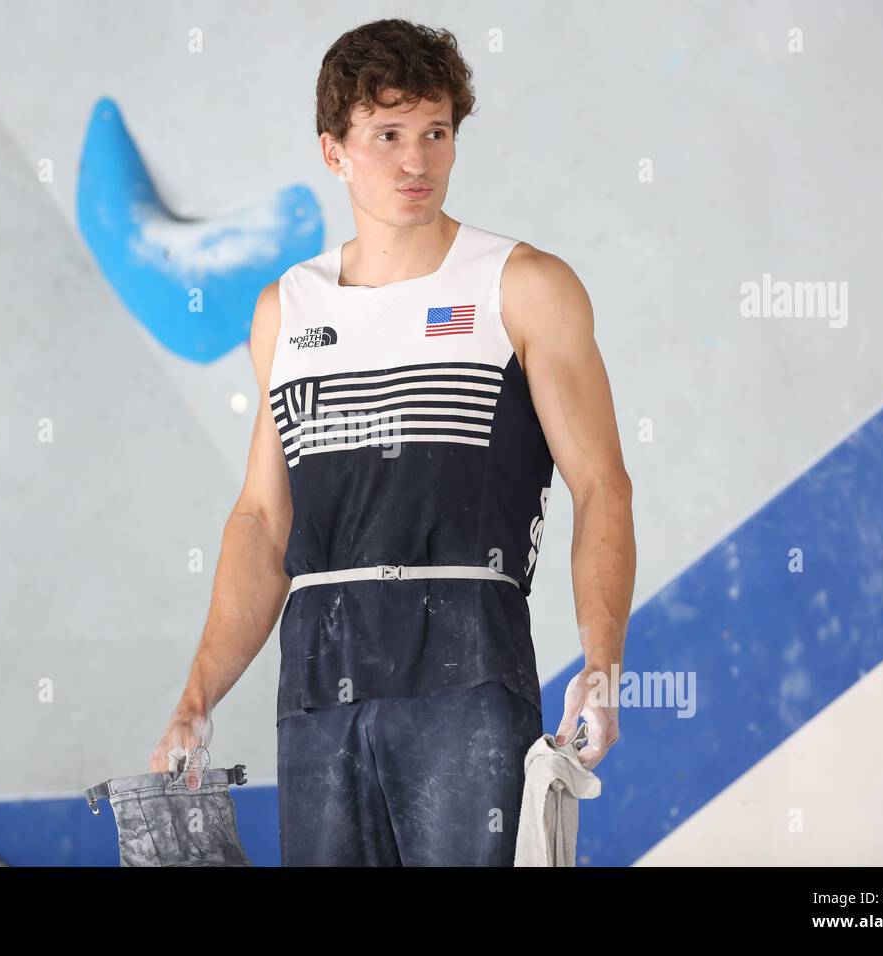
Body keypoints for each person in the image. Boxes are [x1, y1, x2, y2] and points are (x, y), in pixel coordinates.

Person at [150, 18, 636, 866]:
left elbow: (601, 485)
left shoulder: (522, 286)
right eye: (387, 136)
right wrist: (195, 698)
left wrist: (602, 662)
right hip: (317, 683)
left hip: (466, 672)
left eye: (436, 133)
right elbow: (263, 522)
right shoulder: (285, 311)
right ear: (334, 151)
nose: (417, 161)